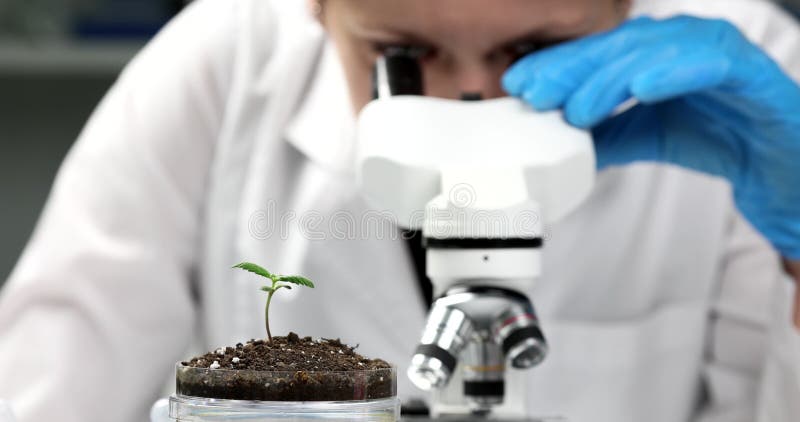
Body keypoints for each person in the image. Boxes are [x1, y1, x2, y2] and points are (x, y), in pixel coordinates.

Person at [0, 0, 799, 421]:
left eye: (529, 54)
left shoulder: (749, 78)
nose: (468, 99)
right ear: (316, 6)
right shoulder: (222, 61)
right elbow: (45, 396)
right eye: (403, 57)